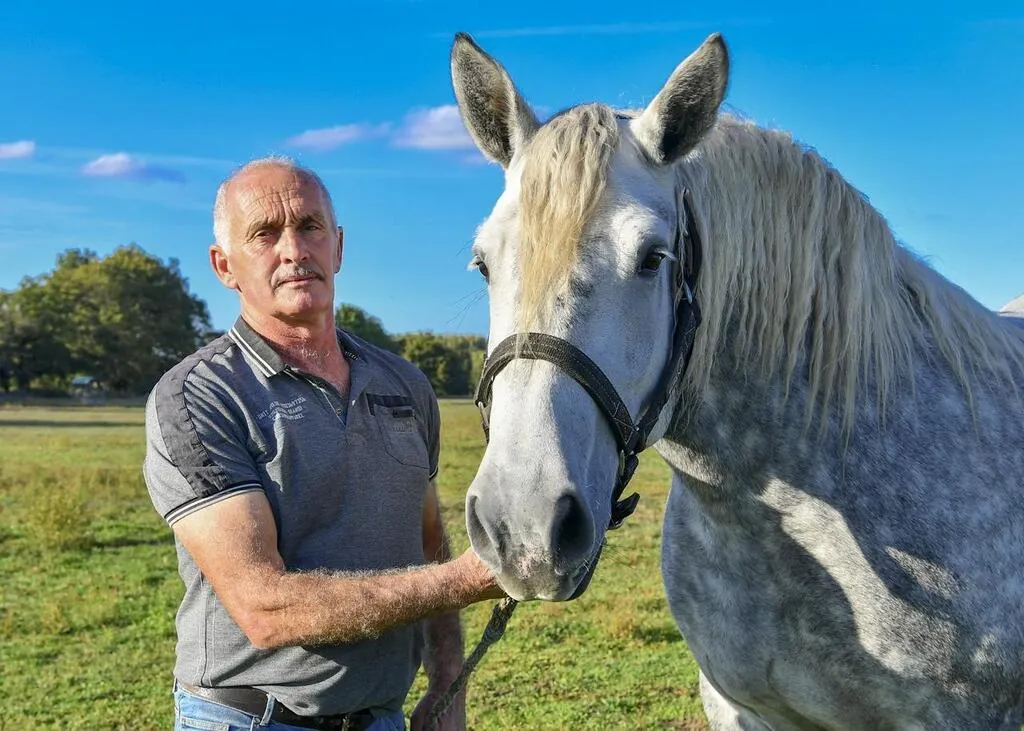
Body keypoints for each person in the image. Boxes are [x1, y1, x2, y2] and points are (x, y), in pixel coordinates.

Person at [142, 156, 504, 731]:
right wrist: (474, 577)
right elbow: (263, 607)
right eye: (264, 234)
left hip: (380, 717)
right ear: (224, 266)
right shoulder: (198, 397)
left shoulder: (403, 384)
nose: (293, 250)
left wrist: (447, 679)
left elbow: (429, 540)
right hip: (252, 719)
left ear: (338, 247)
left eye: (310, 226)